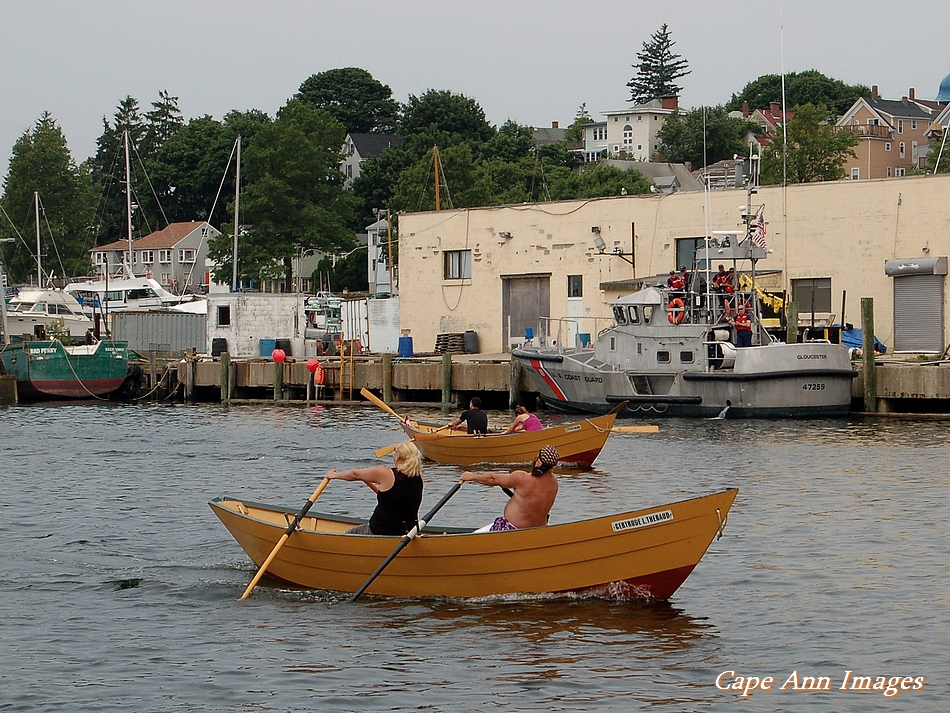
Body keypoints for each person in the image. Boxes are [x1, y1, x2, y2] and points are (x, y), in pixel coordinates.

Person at [325, 440, 424, 535]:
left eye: (394, 452)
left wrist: (335, 475)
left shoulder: (386, 474)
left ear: (397, 456)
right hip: (410, 531)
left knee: (348, 535)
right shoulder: (419, 476)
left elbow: (355, 474)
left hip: (381, 530)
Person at [462, 445, 560, 532]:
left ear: (538, 459)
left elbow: (492, 479)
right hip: (537, 531)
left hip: (512, 530)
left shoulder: (522, 478)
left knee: (474, 535)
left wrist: (471, 476)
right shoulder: (554, 482)